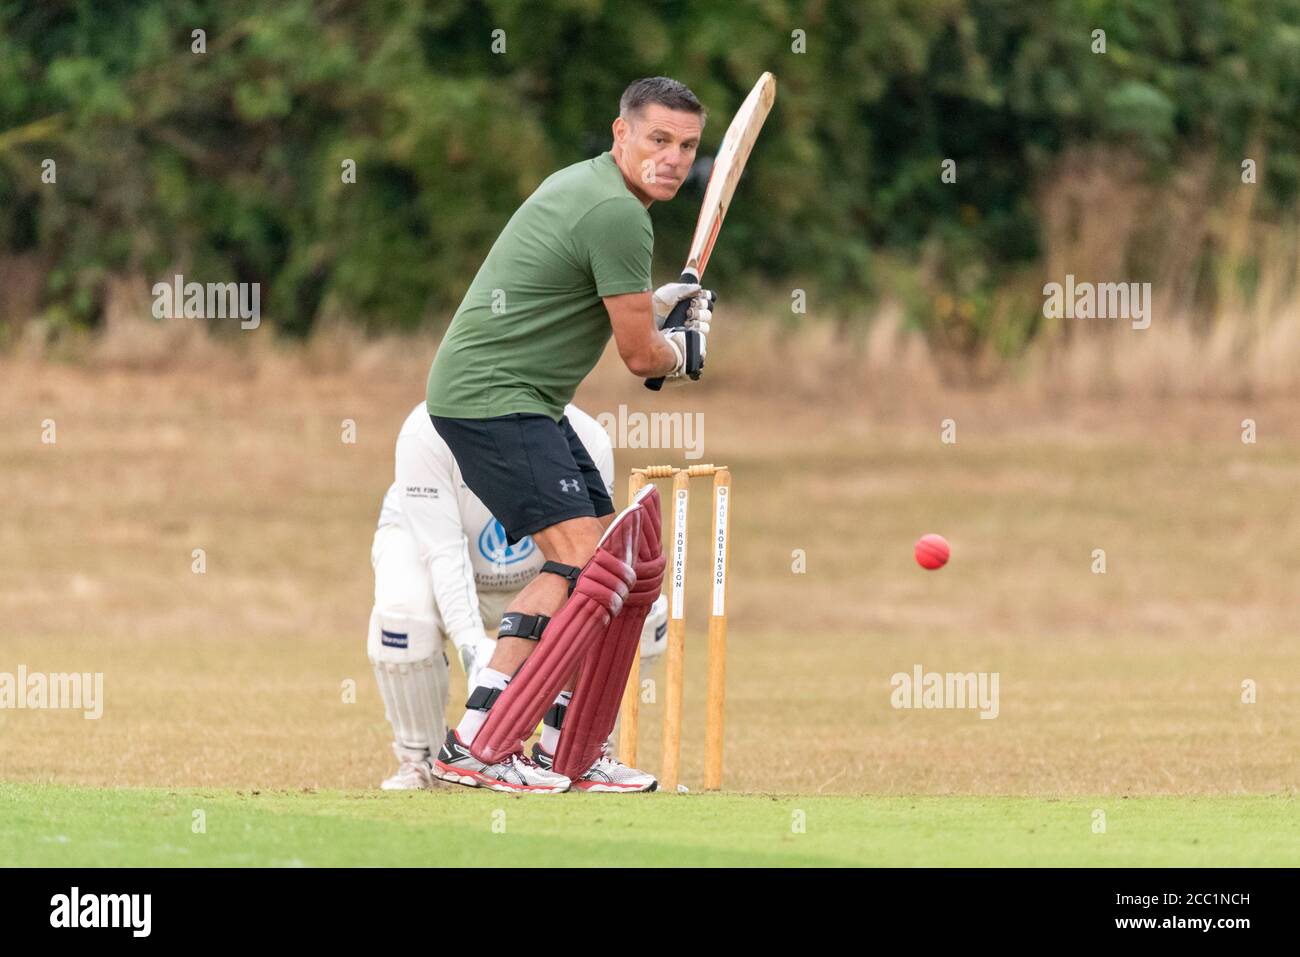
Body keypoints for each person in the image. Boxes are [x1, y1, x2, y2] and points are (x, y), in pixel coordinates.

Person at [424, 76, 714, 793]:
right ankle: (474, 744)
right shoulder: (619, 214)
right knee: (586, 567)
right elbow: (641, 356)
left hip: (522, 401)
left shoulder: (593, 190)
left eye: (686, 146)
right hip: (493, 398)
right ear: (621, 134)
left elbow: (602, 300)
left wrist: (657, 309)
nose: (672, 158)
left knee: (613, 572)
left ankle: (566, 747)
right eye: (657, 140)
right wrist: (687, 349)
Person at [367, 401, 667, 790]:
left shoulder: (588, 434)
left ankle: (576, 748)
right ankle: (422, 759)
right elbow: (442, 552)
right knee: (402, 612)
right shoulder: (424, 430)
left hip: (539, 574)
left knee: (642, 609)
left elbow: (589, 560)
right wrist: (472, 644)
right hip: (440, 564)